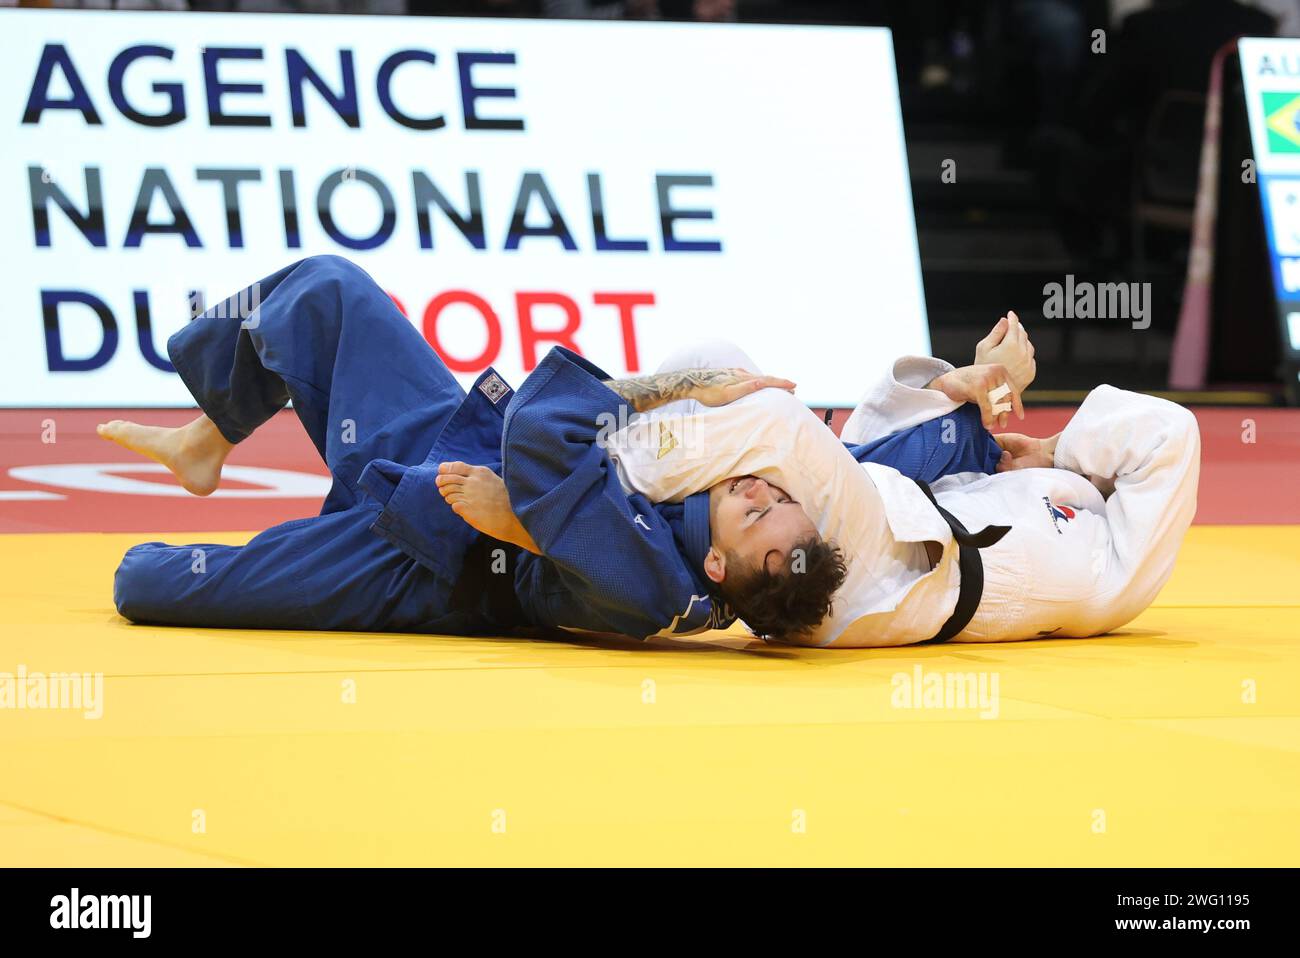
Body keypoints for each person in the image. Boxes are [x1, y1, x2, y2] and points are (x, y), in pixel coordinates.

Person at [101, 255, 1021, 641]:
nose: (768, 494)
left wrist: (677, 394)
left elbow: (550, 439)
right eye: (782, 501)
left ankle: (281, 526)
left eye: (763, 524)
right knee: (325, 290)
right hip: (449, 437)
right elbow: (880, 471)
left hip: (416, 553)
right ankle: (204, 441)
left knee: (149, 582)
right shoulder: (744, 493)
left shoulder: (651, 584)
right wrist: (972, 419)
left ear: (720, 566)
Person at [603, 338, 1200, 647]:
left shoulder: (1111, 580)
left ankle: (600, 458)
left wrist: (1064, 451)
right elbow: (865, 463)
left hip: (872, 577)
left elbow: (1170, 433)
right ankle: (617, 462)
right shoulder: (1029, 505)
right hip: (855, 575)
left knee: (773, 419)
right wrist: (955, 389)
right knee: (719, 363)